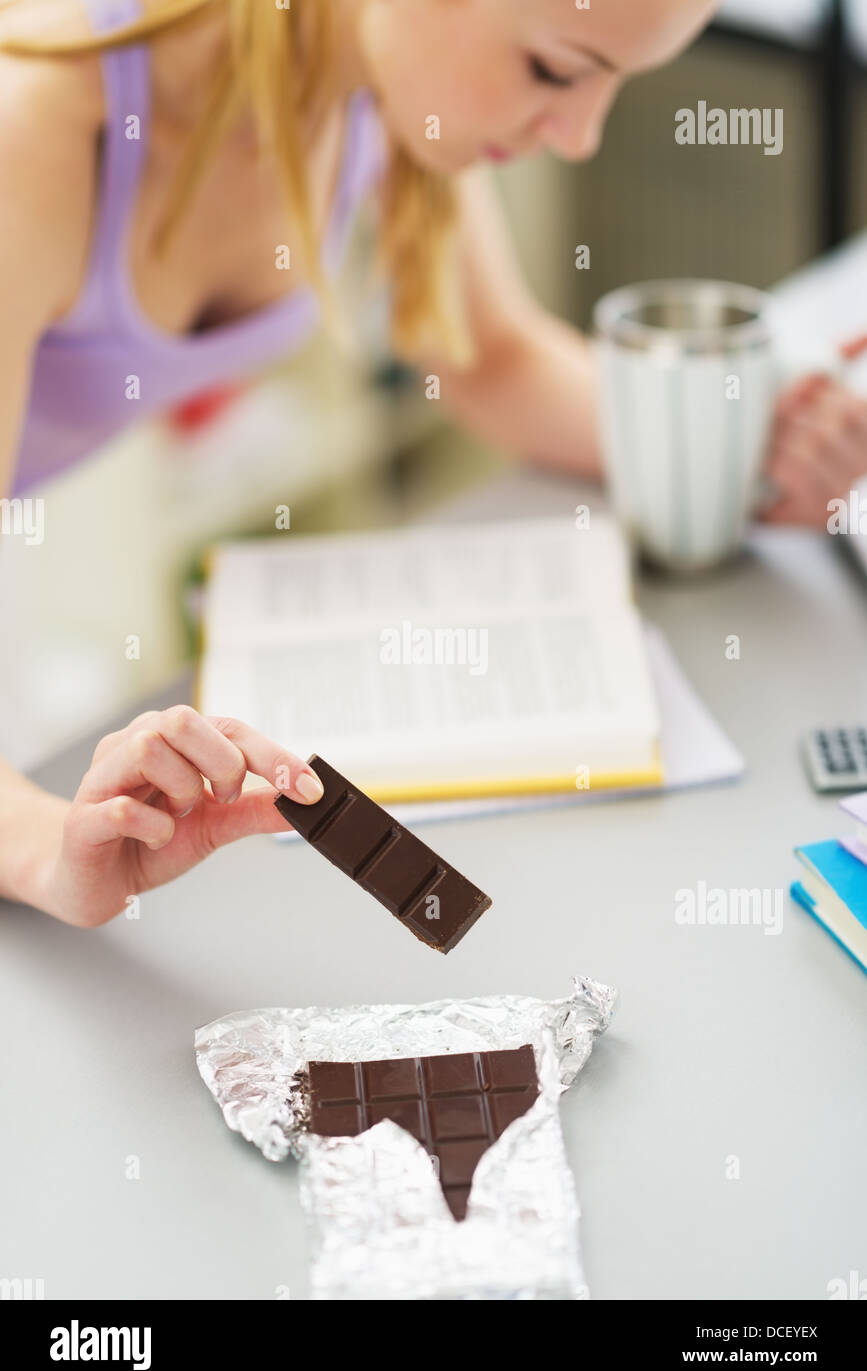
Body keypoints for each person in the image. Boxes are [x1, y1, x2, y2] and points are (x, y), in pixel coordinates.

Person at [1, 0, 864, 926]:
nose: (578, 138)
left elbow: (490, 358)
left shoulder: (379, 78)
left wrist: (733, 462)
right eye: (555, 70)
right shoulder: (36, 129)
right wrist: (52, 851)